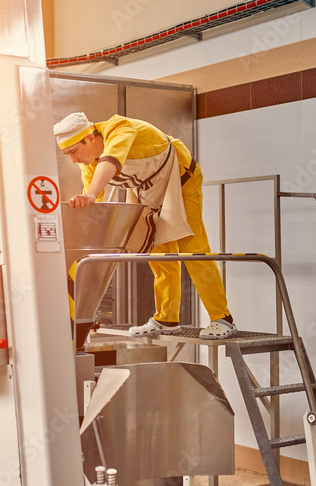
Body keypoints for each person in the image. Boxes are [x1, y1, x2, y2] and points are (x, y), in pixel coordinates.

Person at [55, 112, 236, 340]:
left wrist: (89, 195)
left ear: (90, 138)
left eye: (73, 151)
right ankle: (166, 319)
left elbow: (110, 161)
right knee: (159, 253)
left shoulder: (119, 128)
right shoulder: (89, 164)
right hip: (148, 192)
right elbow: (94, 207)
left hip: (181, 181)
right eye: (66, 154)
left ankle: (222, 318)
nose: (72, 160)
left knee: (193, 248)